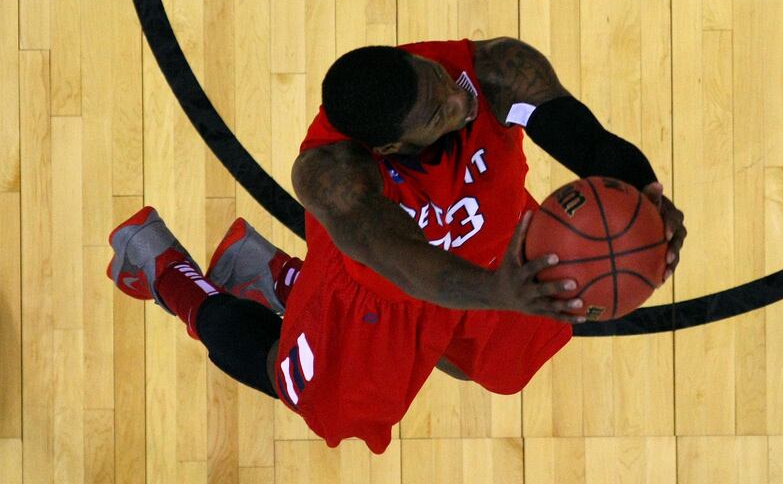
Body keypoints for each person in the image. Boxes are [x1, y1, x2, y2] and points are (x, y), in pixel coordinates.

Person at [106, 37, 686, 453]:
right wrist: (498, 291)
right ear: (386, 150)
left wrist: (645, 199)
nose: (459, 101)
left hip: (501, 258)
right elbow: (400, 261)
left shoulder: (498, 72)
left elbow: (582, 136)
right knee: (311, 396)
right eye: (438, 112)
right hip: (379, 295)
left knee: (501, 369)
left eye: (437, 76)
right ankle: (169, 275)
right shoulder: (332, 174)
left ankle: (276, 279)